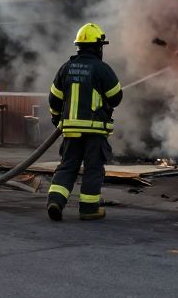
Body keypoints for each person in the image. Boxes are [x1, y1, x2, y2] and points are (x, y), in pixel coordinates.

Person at [45, 22, 123, 221]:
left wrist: (56, 118)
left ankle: (55, 201)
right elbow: (116, 97)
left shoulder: (66, 68)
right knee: (93, 168)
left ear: (78, 46)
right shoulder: (101, 69)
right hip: (94, 131)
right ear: (97, 47)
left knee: (68, 166)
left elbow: (54, 99)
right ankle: (89, 209)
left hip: (71, 130)